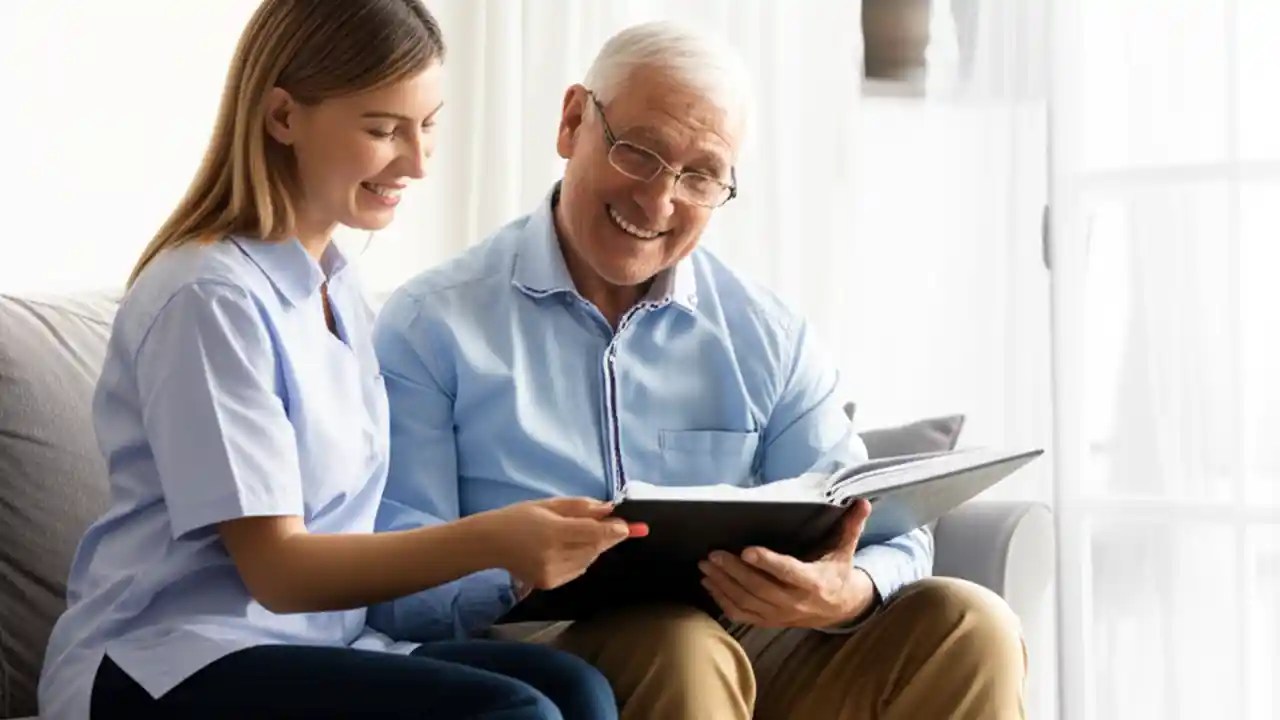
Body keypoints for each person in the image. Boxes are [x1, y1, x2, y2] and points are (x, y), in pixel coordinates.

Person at [370, 20, 1028, 720]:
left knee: (968, 622)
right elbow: (393, 587)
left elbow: (889, 532)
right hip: (539, 655)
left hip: (747, 647)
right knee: (677, 643)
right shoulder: (431, 326)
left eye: (701, 175)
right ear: (571, 123)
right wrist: (514, 571)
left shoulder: (768, 335)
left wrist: (847, 589)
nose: (659, 201)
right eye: (639, 153)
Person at [37, 2, 633, 718]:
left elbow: (350, 531)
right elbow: (280, 570)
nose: (416, 161)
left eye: (429, 125)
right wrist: (492, 538)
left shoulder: (337, 289)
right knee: (513, 713)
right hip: (171, 661)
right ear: (283, 116)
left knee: (578, 690)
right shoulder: (209, 297)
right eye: (383, 129)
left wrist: (516, 569)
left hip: (312, 643)